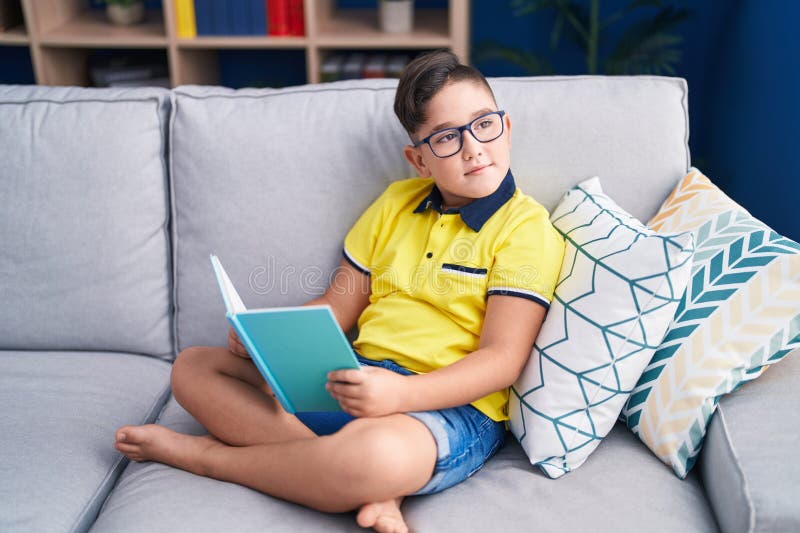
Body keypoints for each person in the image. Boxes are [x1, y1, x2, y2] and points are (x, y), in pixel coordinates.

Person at [114, 49, 565, 533]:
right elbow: (334, 308)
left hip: (448, 410)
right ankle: (351, 481)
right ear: (419, 160)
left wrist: (401, 395)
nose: (474, 148)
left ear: (507, 128)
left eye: (484, 125)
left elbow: (501, 359)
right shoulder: (395, 205)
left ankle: (210, 459)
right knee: (193, 369)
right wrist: (270, 340)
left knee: (374, 455)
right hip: (358, 381)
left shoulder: (526, 230)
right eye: (447, 138)